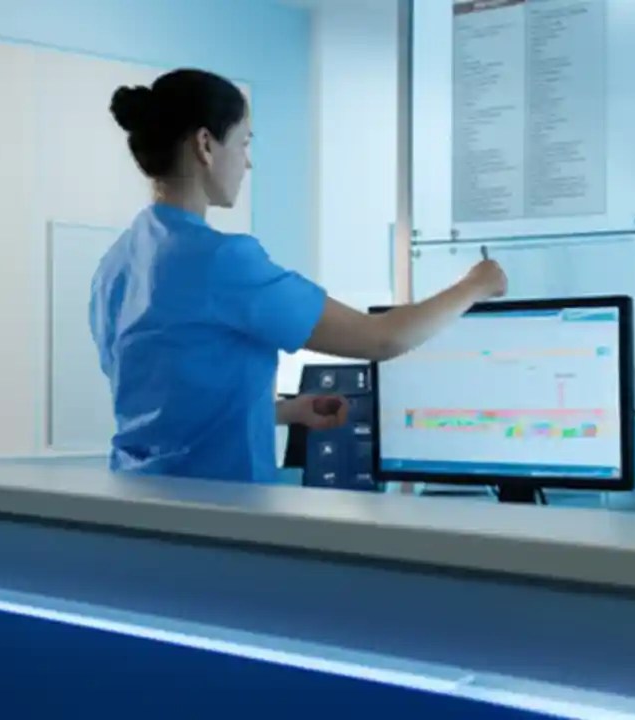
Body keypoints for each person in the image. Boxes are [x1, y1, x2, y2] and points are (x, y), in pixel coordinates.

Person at [91, 68, 506, 484]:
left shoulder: (117, 261)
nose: (247, 161)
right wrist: (475, 285)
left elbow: (167, 411)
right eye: (243, 142)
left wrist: (286, 412)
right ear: (205, 145)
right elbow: (382, 337)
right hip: (216, 517)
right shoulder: (222, 260)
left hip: (136, 504)